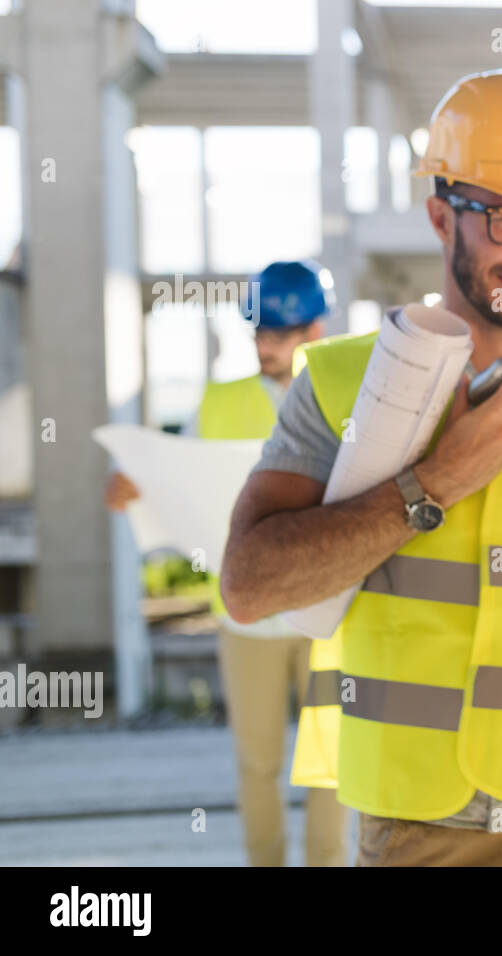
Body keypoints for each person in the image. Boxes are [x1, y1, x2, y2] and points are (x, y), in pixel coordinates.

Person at [220, 67, 502, 867]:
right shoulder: (342, 380)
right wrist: (428, 487)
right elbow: (249, 585)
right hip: (419, 826)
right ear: (440, 216)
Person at [105, 260, 348, 866]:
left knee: (331, 764)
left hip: (329, 614)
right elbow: (173, 472)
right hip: (245, 619)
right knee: (257, 762)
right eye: (259, 333)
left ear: (314, 330)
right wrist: (134, 484)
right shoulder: (219, 402)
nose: (265, 345)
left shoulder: (349, 397)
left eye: (278, 333)